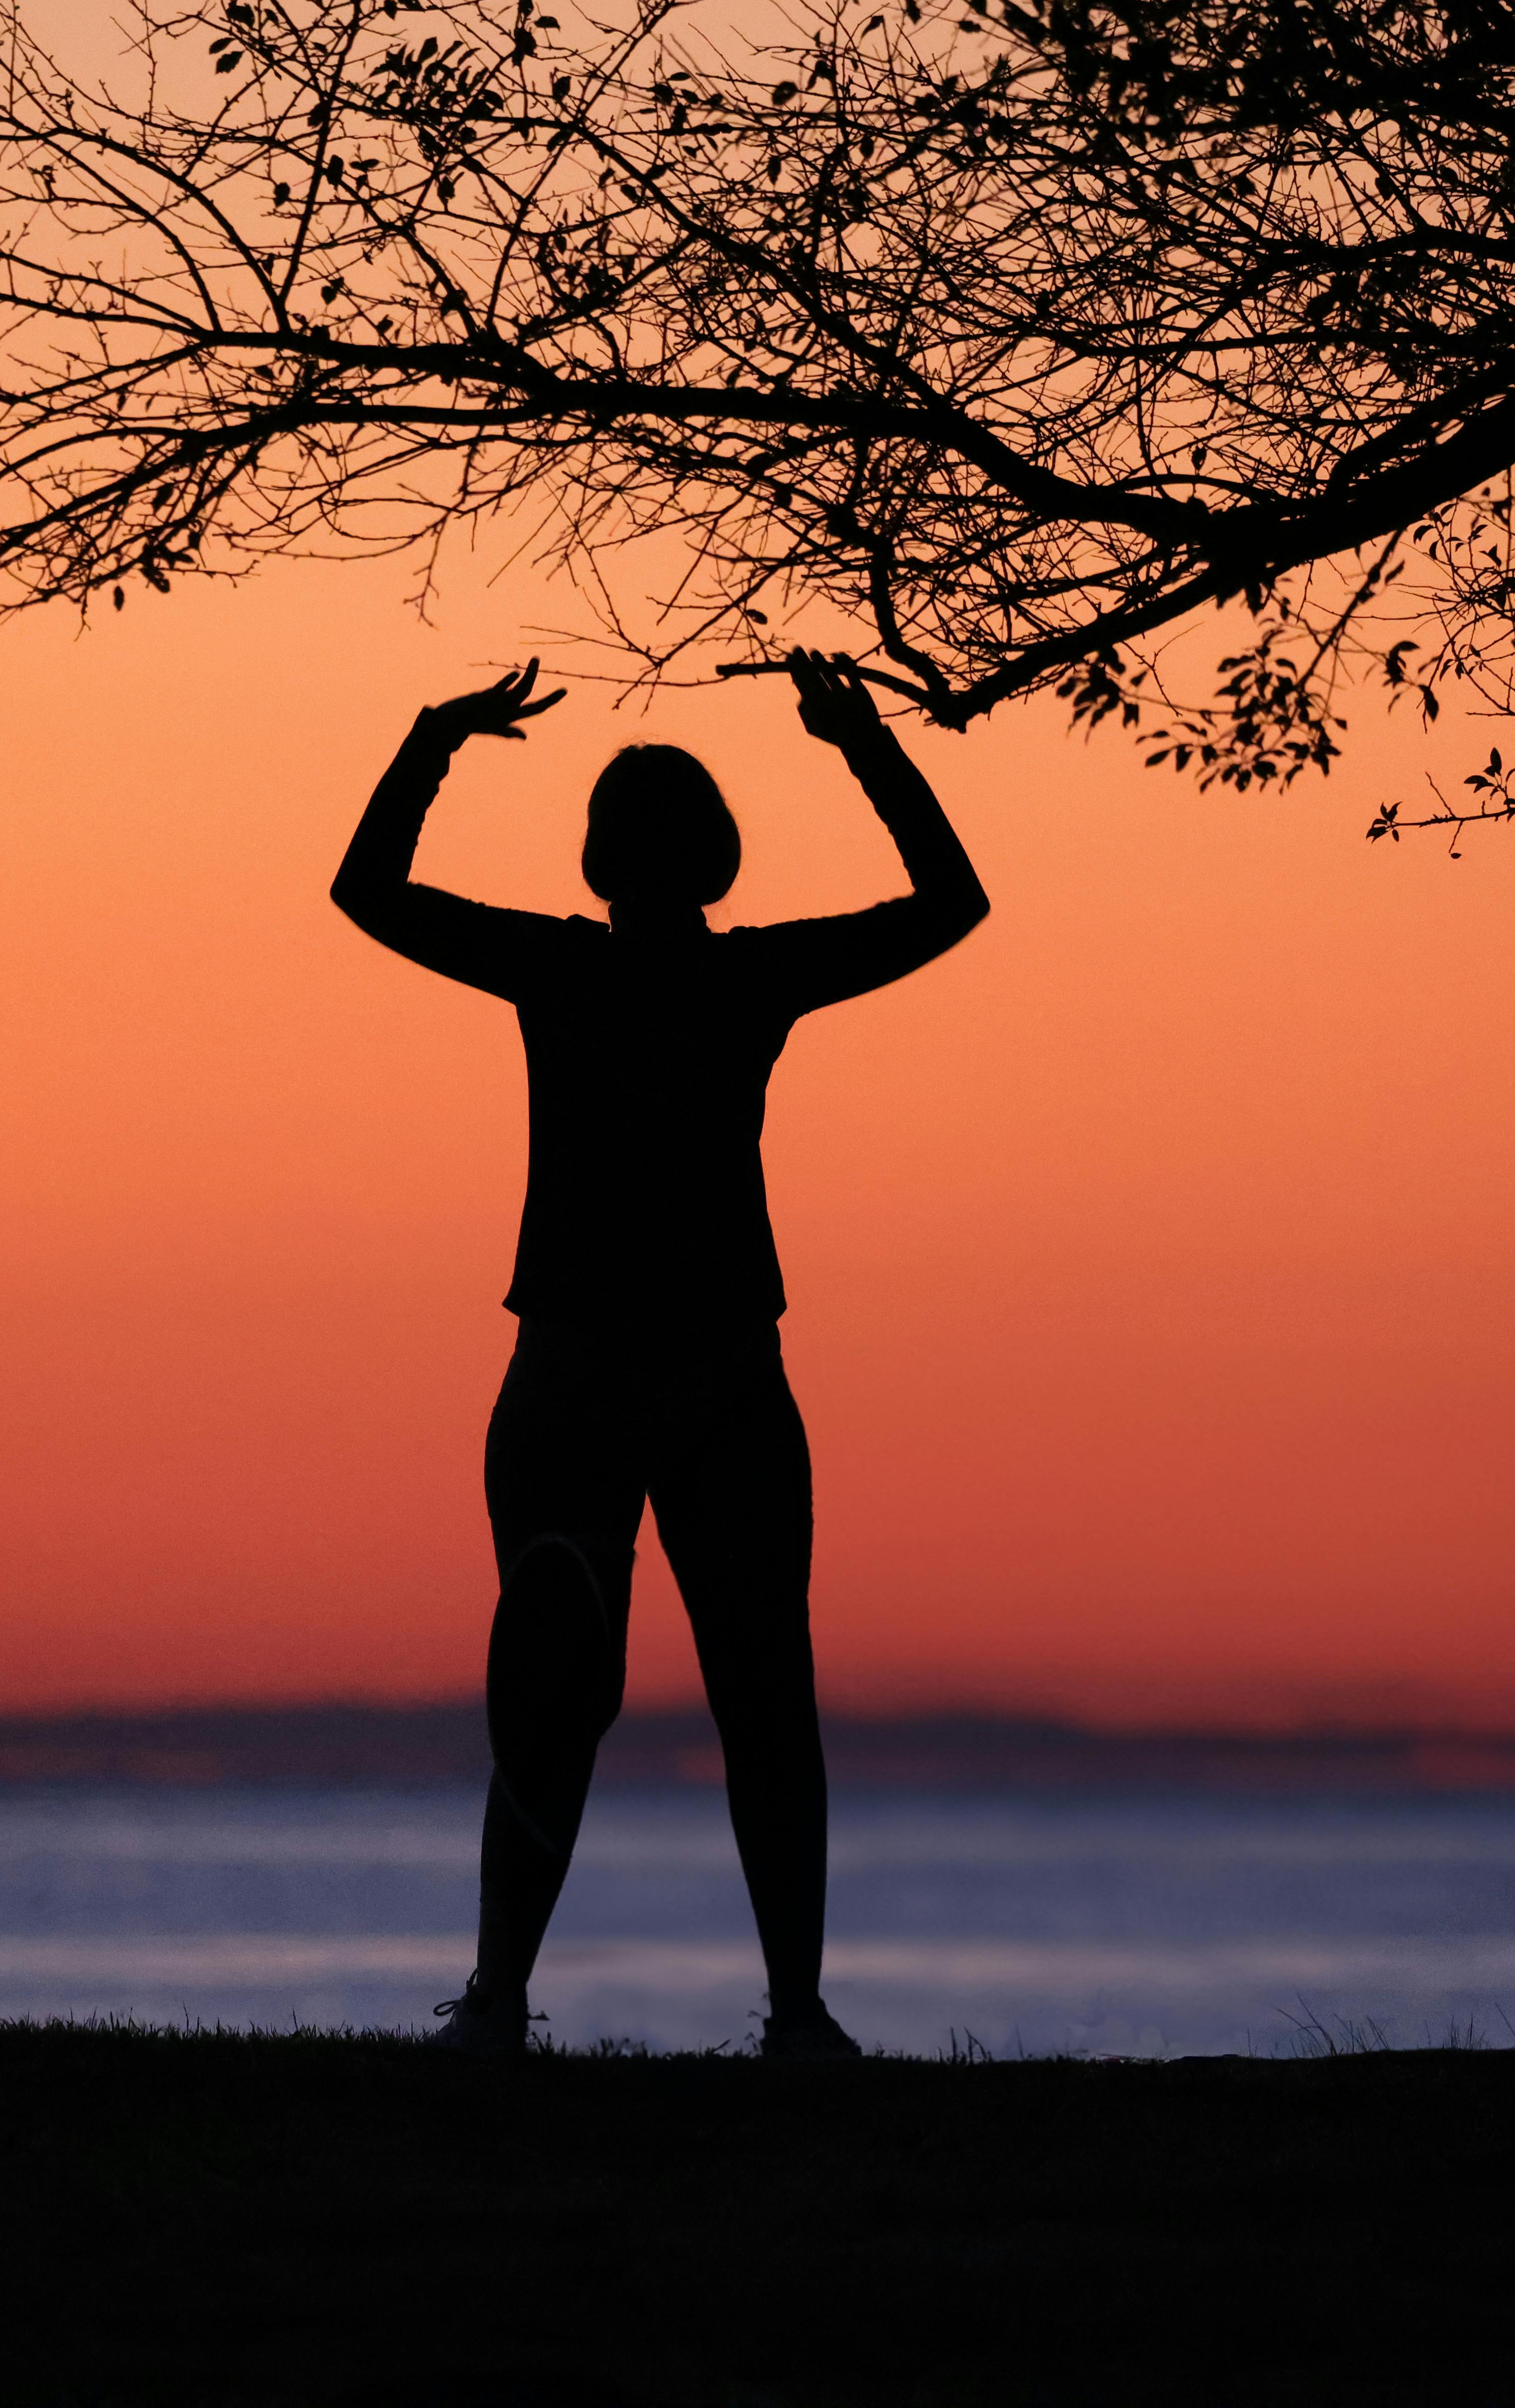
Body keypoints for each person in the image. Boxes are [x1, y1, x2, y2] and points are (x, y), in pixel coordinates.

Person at [332, 652, 990, 2060]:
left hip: (619, 1377)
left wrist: (435, 740)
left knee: (571, 1695)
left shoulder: (575, 966)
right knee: (748, 1696)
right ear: (714, 857)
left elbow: (368, 893)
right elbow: (952, 904)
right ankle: (782, 2015)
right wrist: (863, 746)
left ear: (605, 858)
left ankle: (509, 2005)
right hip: (689, 1379)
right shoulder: (735, 974)